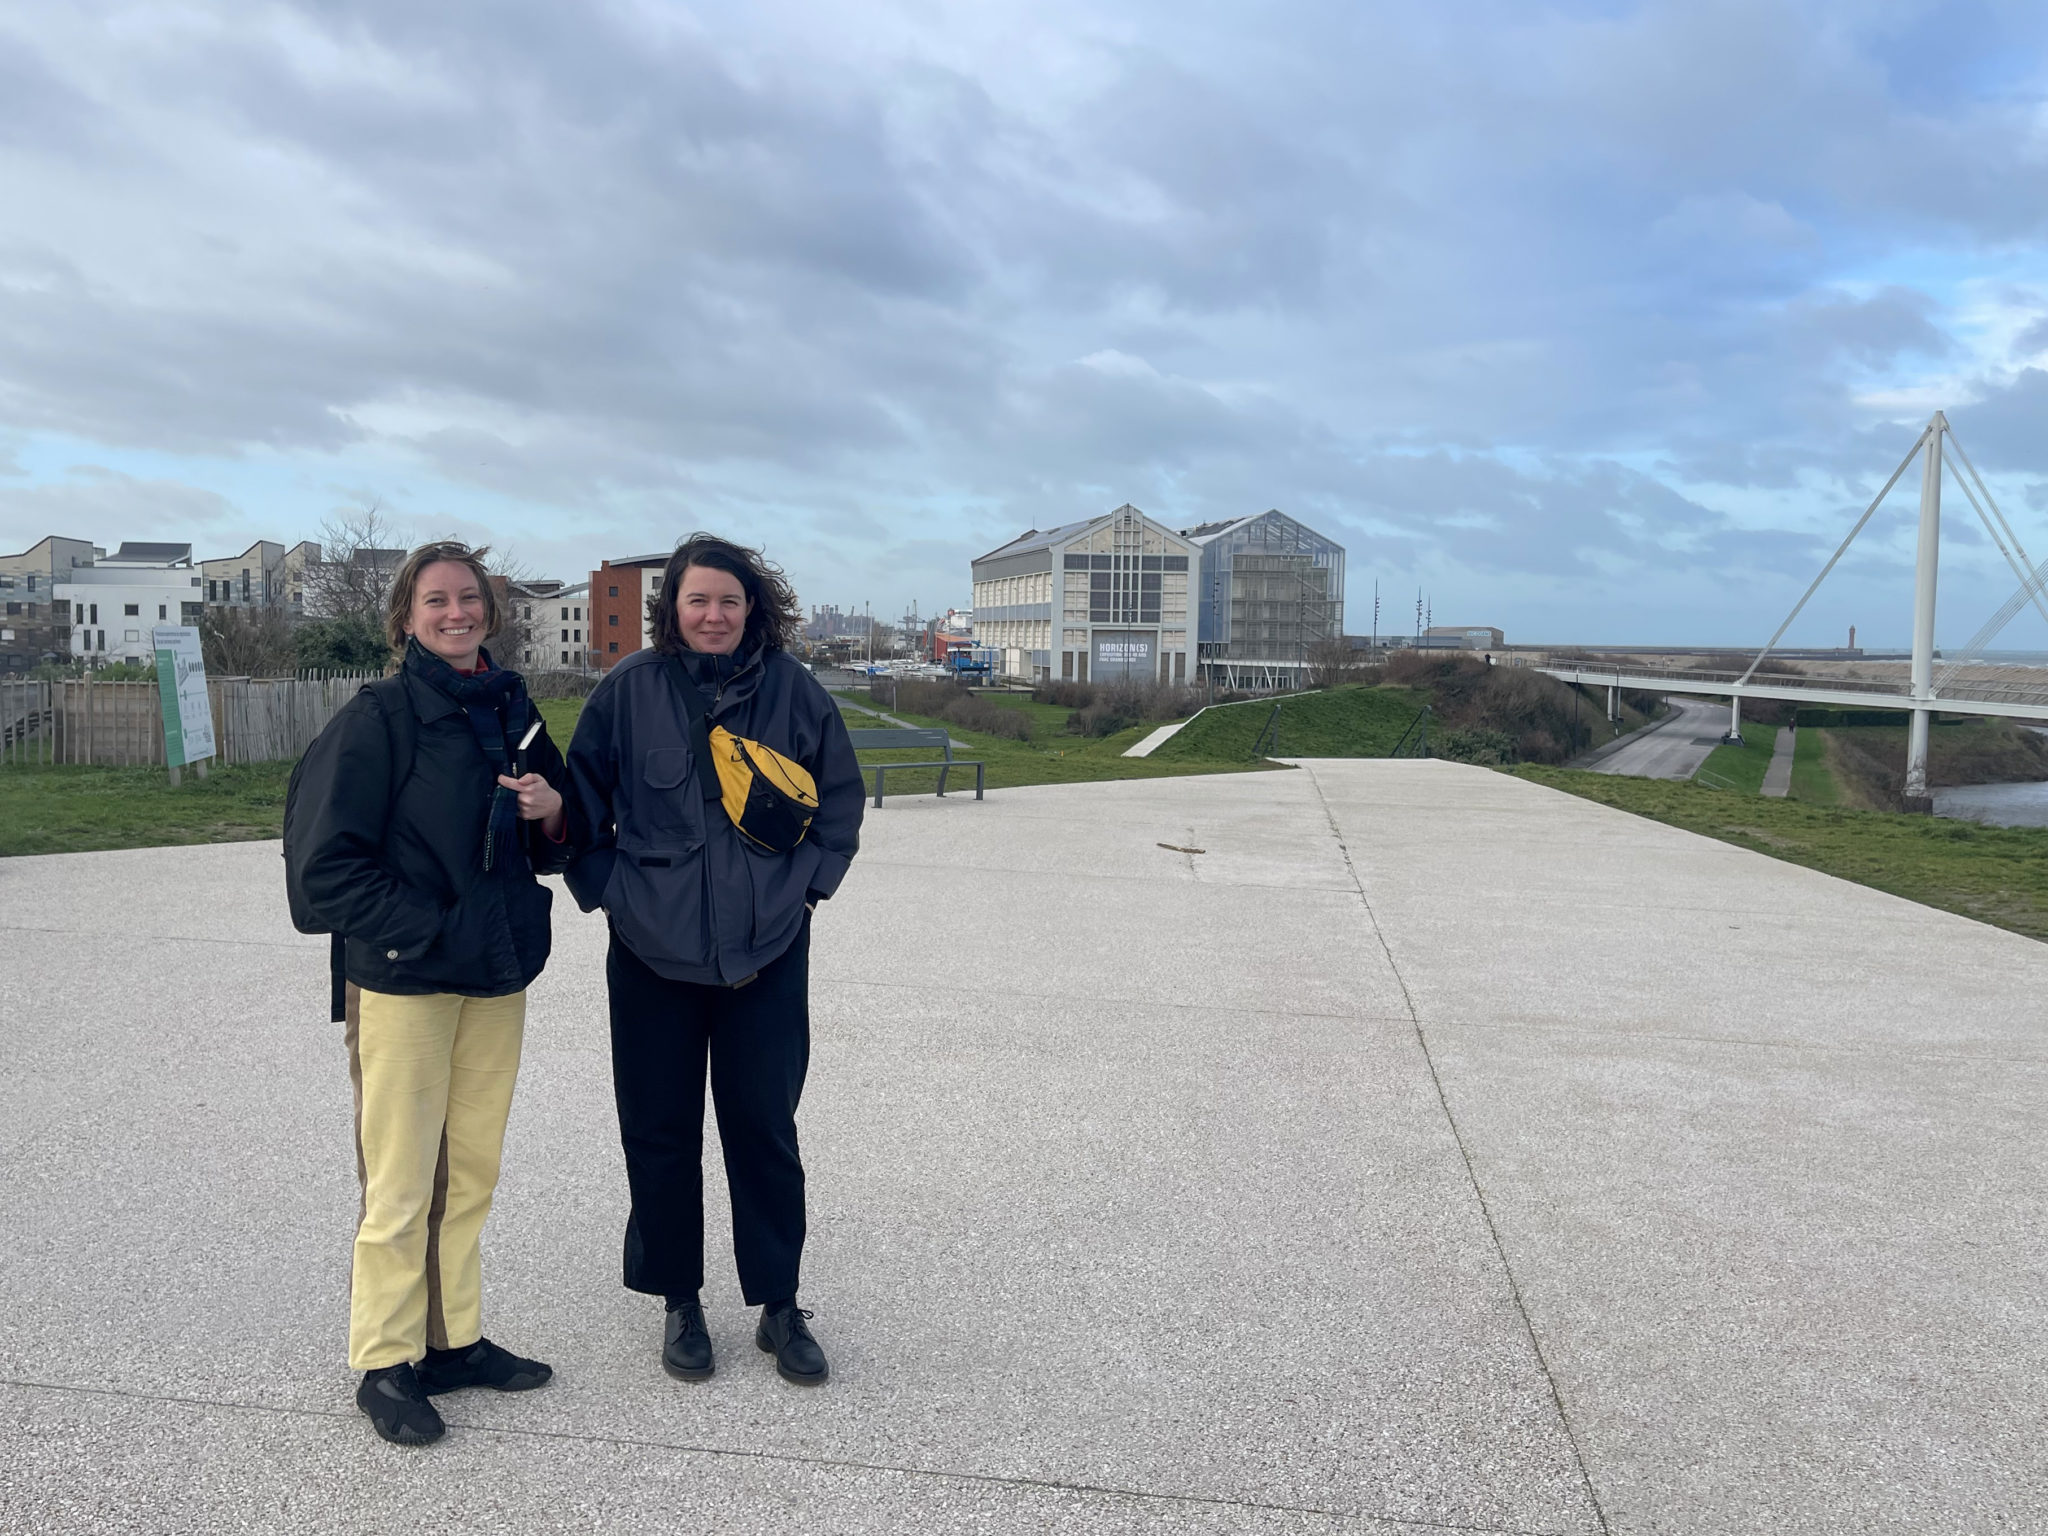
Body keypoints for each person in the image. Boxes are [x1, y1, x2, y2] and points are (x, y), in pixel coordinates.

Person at [287, 541, 571, 1446]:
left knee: (472, 1169)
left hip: (496, 977)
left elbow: (564, 825)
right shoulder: (379, 716)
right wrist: (430, 929)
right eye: (437, 601)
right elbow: (321, 873)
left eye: (470, 598)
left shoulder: (510, 707)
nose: (458, 613)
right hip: (406, 981)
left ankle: (453, 1341)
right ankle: (384, 1359)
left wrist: (551, 811)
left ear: (491, 609)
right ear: (406, 617)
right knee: (403, 1178)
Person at [565, 533, 863, 1386]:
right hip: (651, 954)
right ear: (674, 610)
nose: (714, 615)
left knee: (764, 1129)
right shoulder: (628, 692)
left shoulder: (795, 694)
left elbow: (839, 800)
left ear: (752, 608)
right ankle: (679, 1301)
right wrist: (612, 894)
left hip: (766, 954)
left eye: (729, 601)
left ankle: (779, 1304)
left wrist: (807, 890)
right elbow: (580, 812)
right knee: (659, 1133)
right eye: (698, 600)